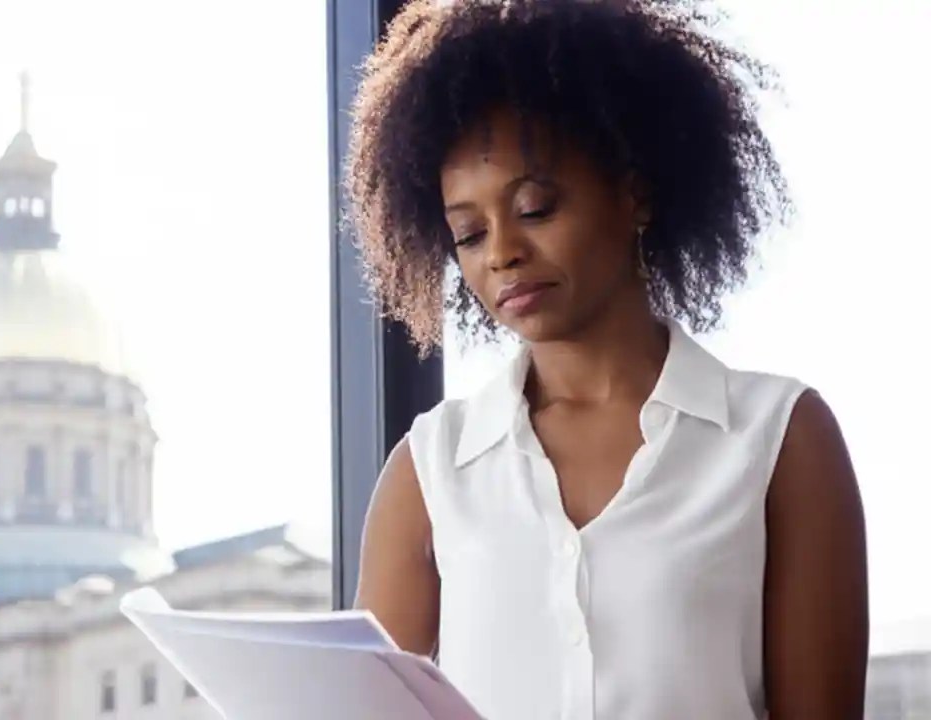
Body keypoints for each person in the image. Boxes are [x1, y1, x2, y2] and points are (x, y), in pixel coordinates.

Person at [345, 1, 869, 718]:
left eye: (534, 209)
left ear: (635, 193)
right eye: (467, 234)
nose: (501, 252)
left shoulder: (781, 437)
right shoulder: (430, 469)